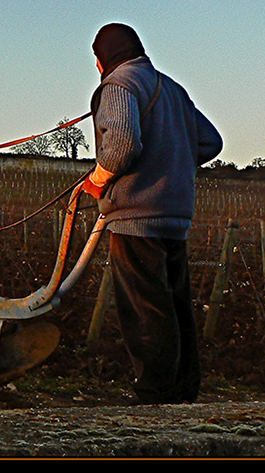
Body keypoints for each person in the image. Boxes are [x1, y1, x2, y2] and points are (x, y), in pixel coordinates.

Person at [80, 23, 223, 405]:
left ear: (102, 58)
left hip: (135, 214)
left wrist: (97, 180)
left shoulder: (119, 86)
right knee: (175, 302)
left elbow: (122, 145)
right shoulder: (171, 89)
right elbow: (210, 141)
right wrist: (169, 161)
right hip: (175, 215)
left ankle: (155, 394)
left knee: (144, 307)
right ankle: (182, 390)